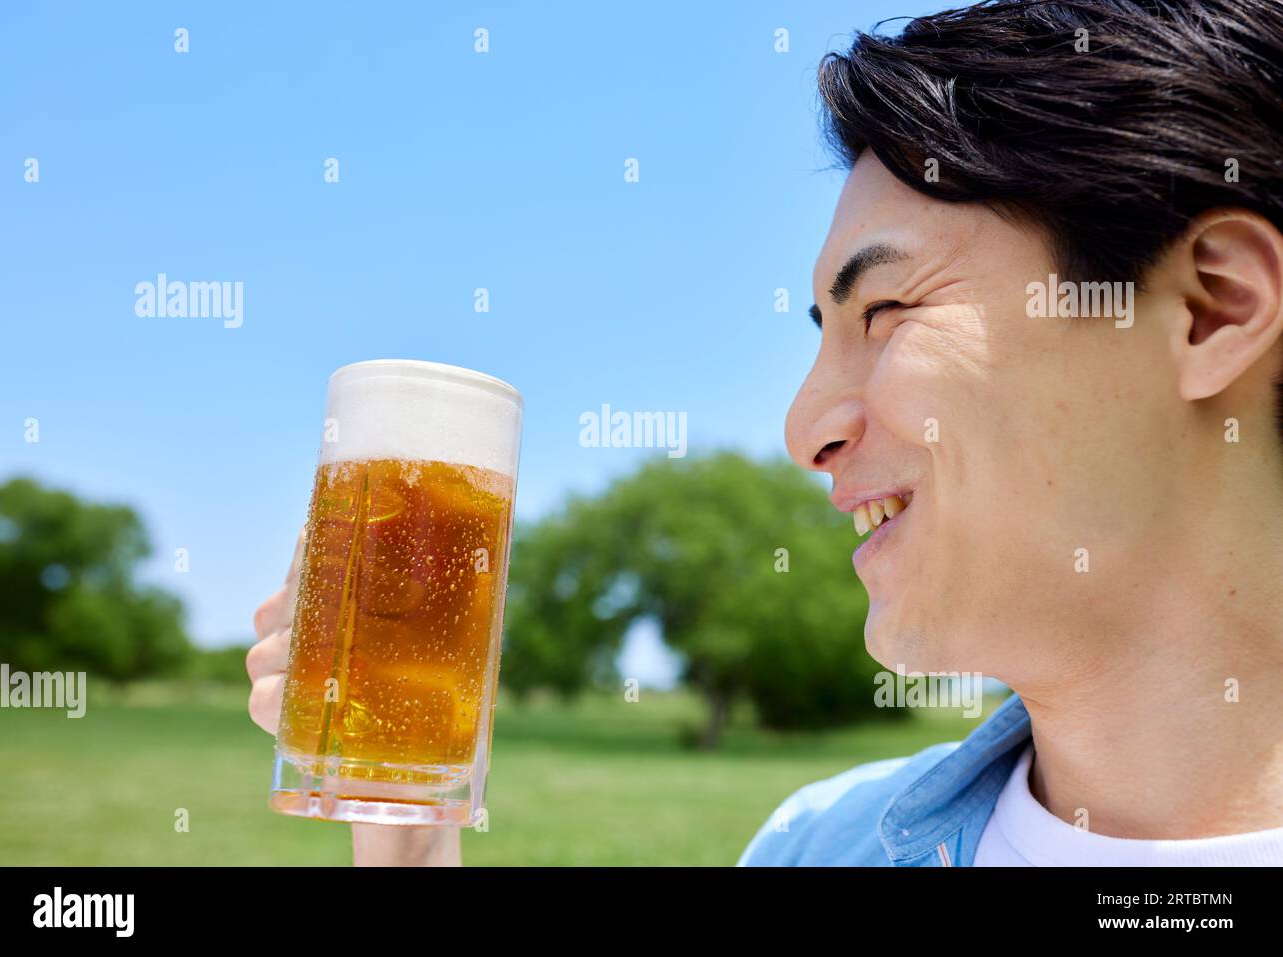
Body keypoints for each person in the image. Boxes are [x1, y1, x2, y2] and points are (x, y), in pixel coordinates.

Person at [248, 0, 1283, 866]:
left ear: (1210, 310)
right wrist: (410, 836)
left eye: (885, 313)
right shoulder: (812, 845)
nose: (804, 430)